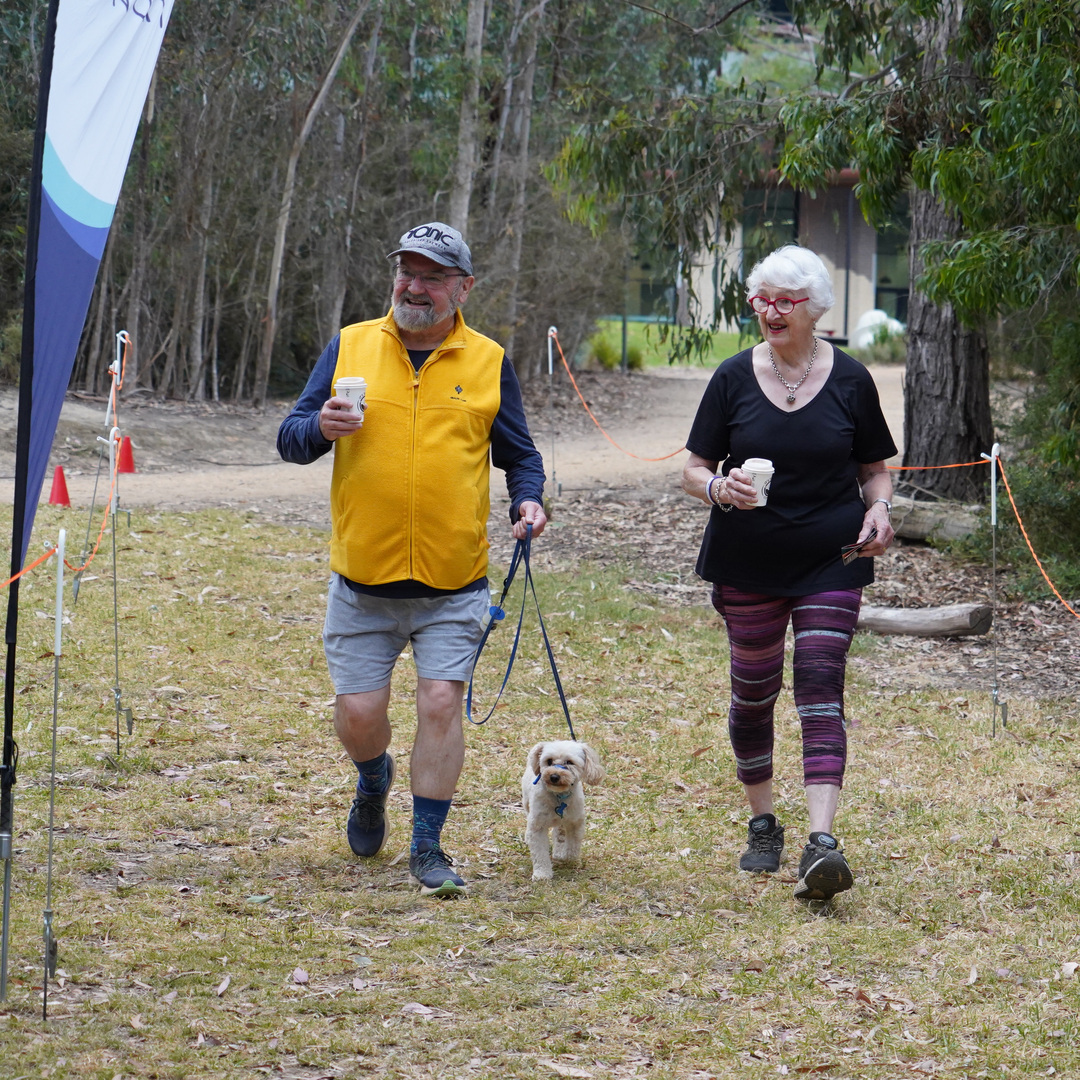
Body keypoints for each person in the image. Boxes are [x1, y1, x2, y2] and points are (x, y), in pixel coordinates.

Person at [277, 221, 547, 898]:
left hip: (452, 580)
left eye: (431, 276)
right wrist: (320, 428)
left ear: (463, 288)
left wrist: (529, 501)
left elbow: (521, 454)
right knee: (361, 714)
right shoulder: (352, 346)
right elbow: (289, 437)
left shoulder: (488, 360)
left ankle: (428, 847)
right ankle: (373, 779)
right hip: (362, 578)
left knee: (438, 702)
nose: (414, 286)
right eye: (406, 271)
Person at [682, 244, 897, 901]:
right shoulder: (732, 378)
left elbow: (874, 469)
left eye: (785, 301)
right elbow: (691, 468)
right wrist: (721, 489)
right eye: (761, 300)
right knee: (754, 691)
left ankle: (821, 840)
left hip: (832, 559)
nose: (770, 312)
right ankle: (763, 821)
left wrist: (881, 512)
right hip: (747, 559)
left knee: (821, 687)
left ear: (816, 308)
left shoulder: (853, 380)